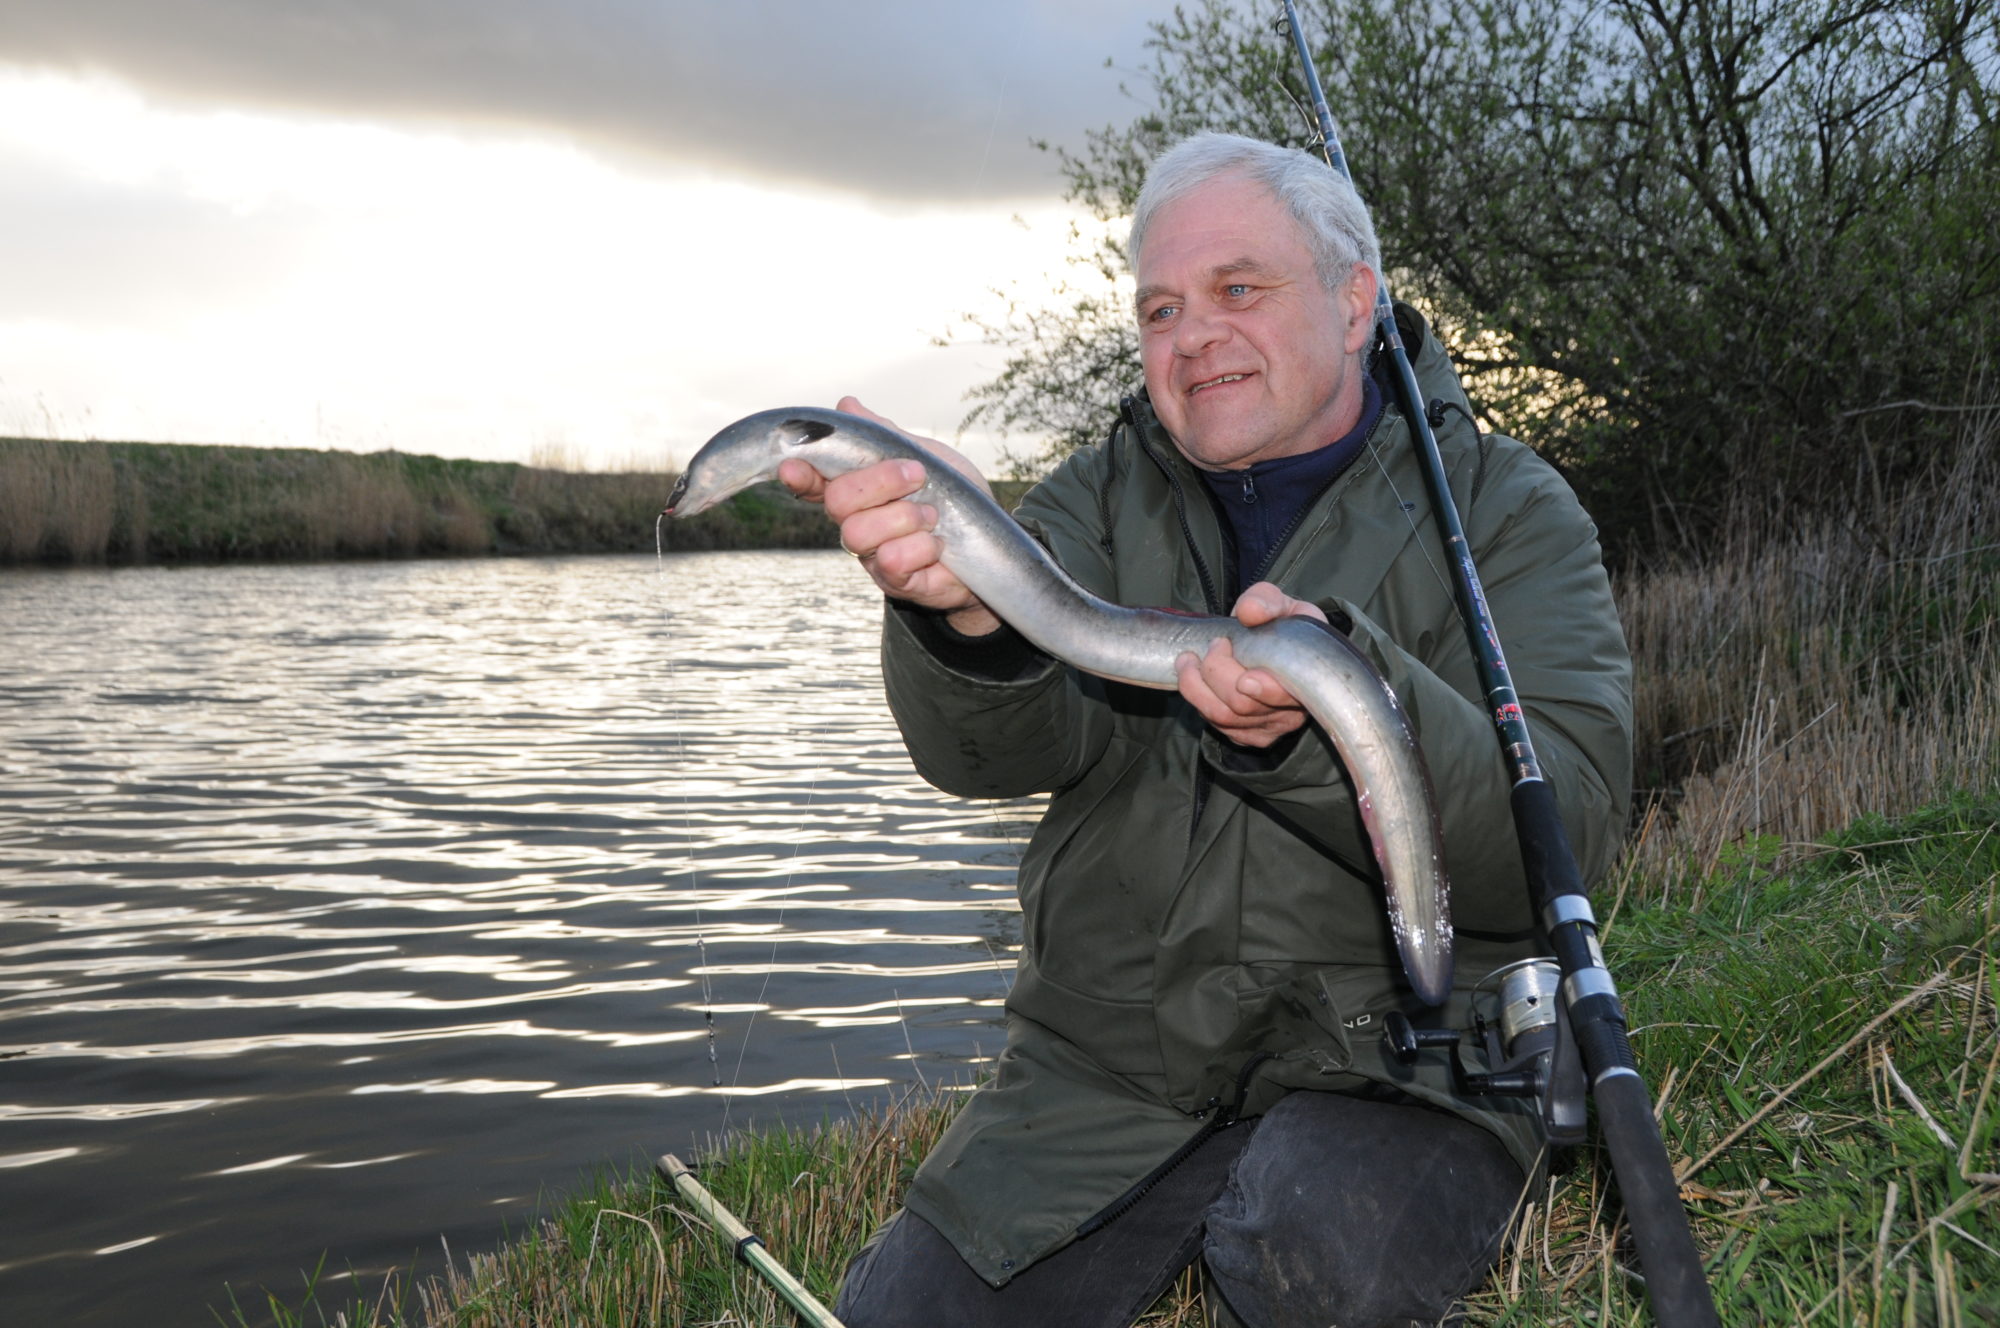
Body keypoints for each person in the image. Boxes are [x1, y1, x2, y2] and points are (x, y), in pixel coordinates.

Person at [778, 131, 1633, 1328]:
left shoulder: (1507, 512)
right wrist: (964, 617)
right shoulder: (1086, 502)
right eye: (1160, 308)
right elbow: (983, 757)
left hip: (1408, 1057)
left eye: (1238, 287)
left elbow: (1565, 835)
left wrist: (1334, 710)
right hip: (1109, 1065)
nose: (1191, 336)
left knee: (1312, 1264)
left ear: (1352, 302)